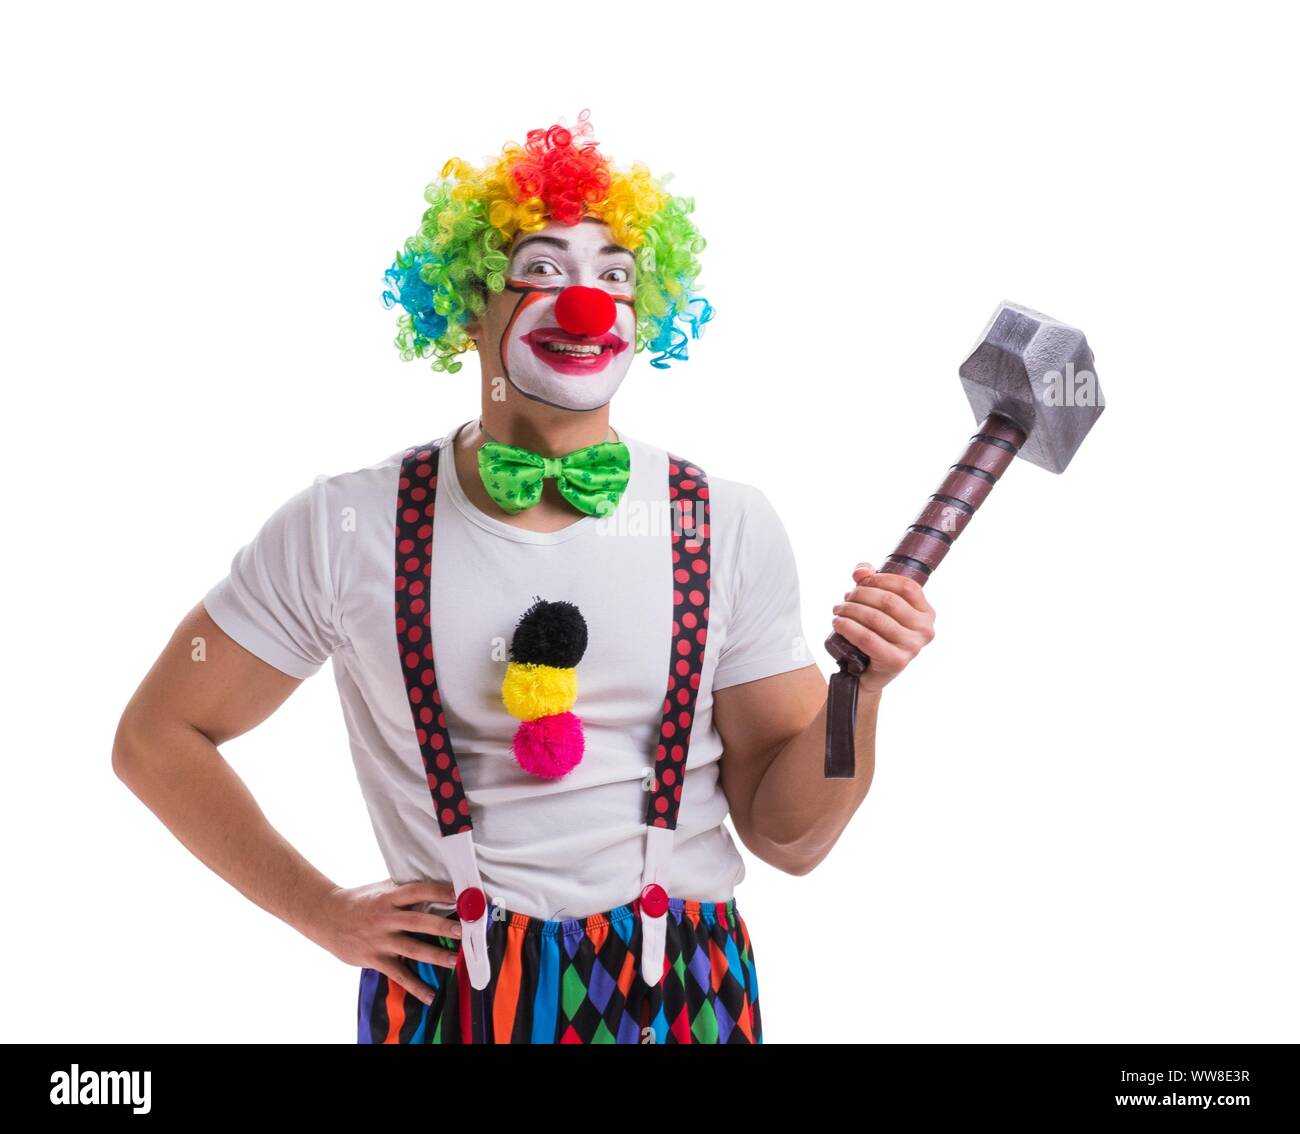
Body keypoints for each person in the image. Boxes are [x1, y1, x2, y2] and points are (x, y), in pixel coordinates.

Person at [112, 109, 937, 1044]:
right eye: (542, 270)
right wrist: (322, 913)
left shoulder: (725, 522)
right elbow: (157, 737)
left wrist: (859, 695)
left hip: (685, 988)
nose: (585, 303)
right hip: (449, 987)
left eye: (615, 277)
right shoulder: (345, 525)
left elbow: (790, 839)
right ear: (467, 304)